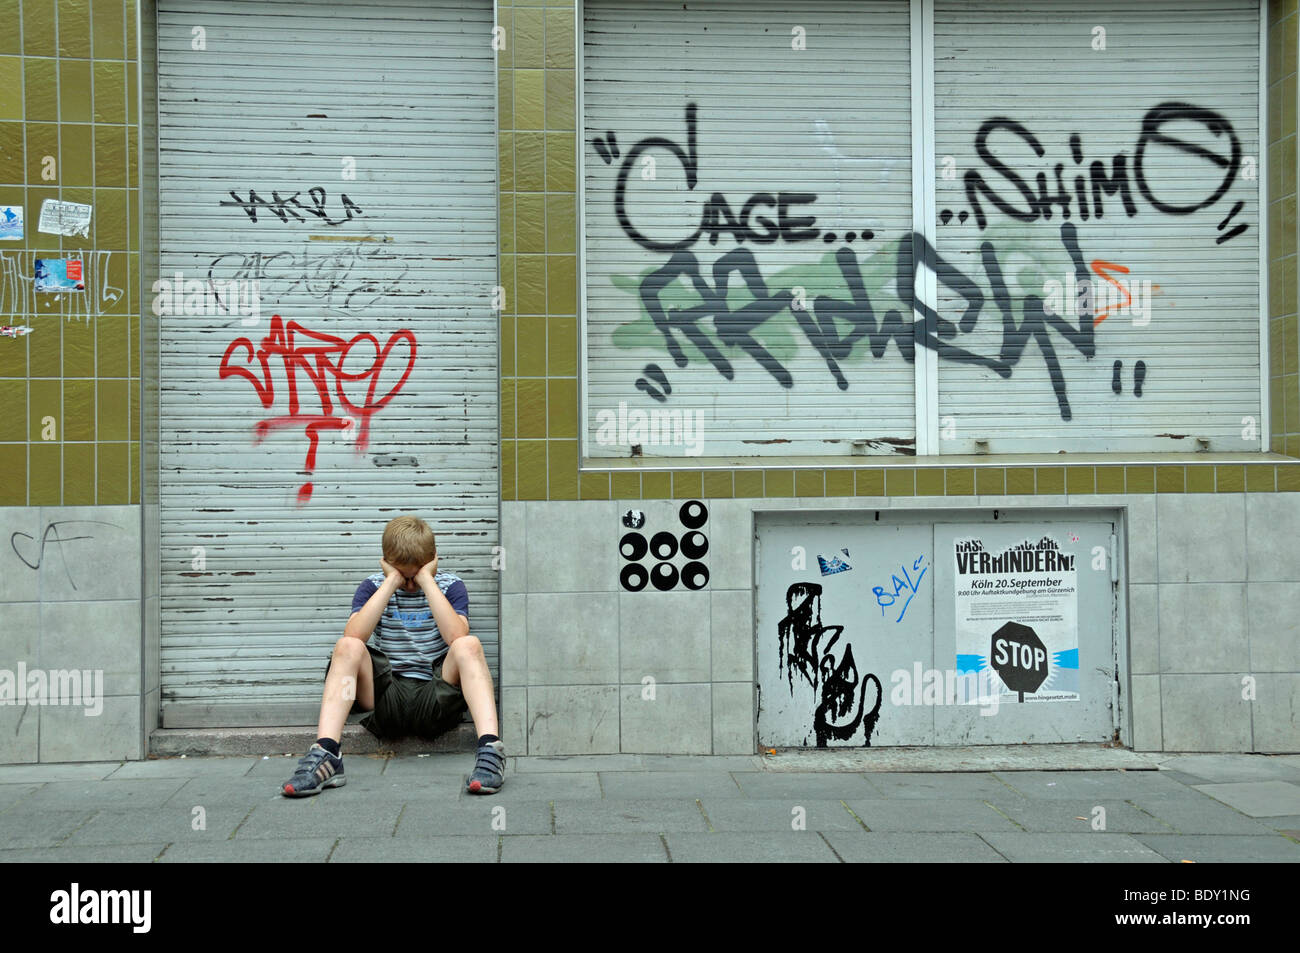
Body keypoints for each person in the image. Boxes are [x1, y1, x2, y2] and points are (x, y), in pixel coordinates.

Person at [281, 514, 504, 797]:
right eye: (403, 576)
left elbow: (455, 637)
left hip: (434, 696)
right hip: (386, 696)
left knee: (468, 644)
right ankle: (327, 753)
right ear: (386, 563)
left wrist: (426, 581)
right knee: (347, 646)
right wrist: (390, 583)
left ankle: (490, 750)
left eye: (415, 575)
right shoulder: (374, 586)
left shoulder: (450, 586)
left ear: (433, 560)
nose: (409, 585)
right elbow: (356, 635)